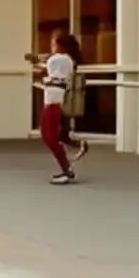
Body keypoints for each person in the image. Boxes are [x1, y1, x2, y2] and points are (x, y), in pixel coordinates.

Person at [36, 32, 88, 184]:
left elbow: (46, 71)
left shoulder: (57, 59)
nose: (51, 47)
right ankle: (77, 147)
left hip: (52, 103)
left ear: (60, 45)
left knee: (49, 137)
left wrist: (38, 63)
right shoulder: (69, 61)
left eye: (53, 44)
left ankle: (66, 170)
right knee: (57, 135)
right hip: (57, 101)